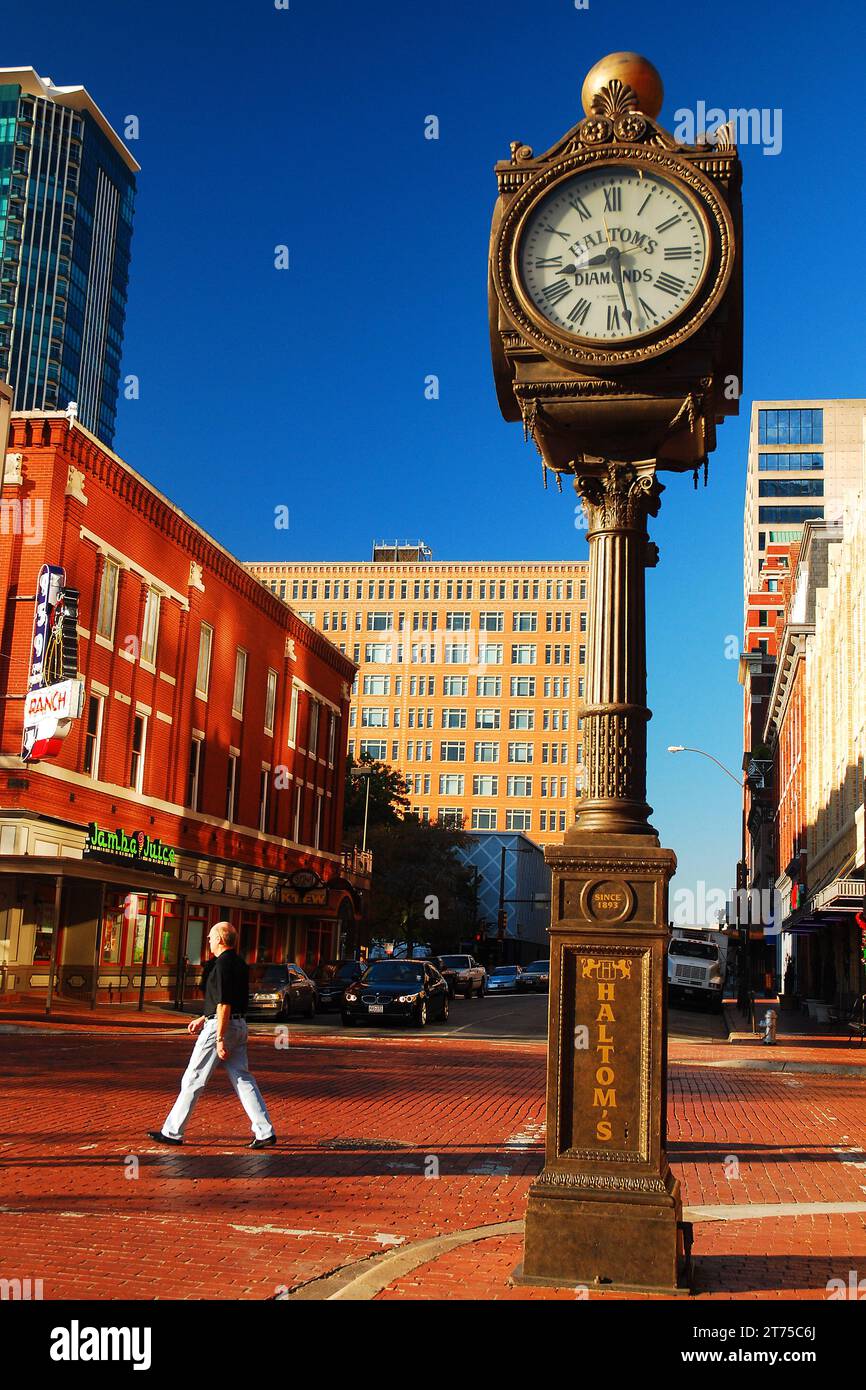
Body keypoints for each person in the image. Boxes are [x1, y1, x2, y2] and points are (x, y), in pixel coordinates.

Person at [148, 921, 276, 1149]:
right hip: (238, 1025)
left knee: (194, 1078)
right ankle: (264, 1130)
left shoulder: (221, 966)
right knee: (243, 1078)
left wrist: (218, 1038)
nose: (207, 940)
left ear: (219, 939)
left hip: (222, 1027)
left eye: (209, 937)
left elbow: (224, 1003)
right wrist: (204, 1017)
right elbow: (228, 1002)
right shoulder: (239, 964)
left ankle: (172, 1132)